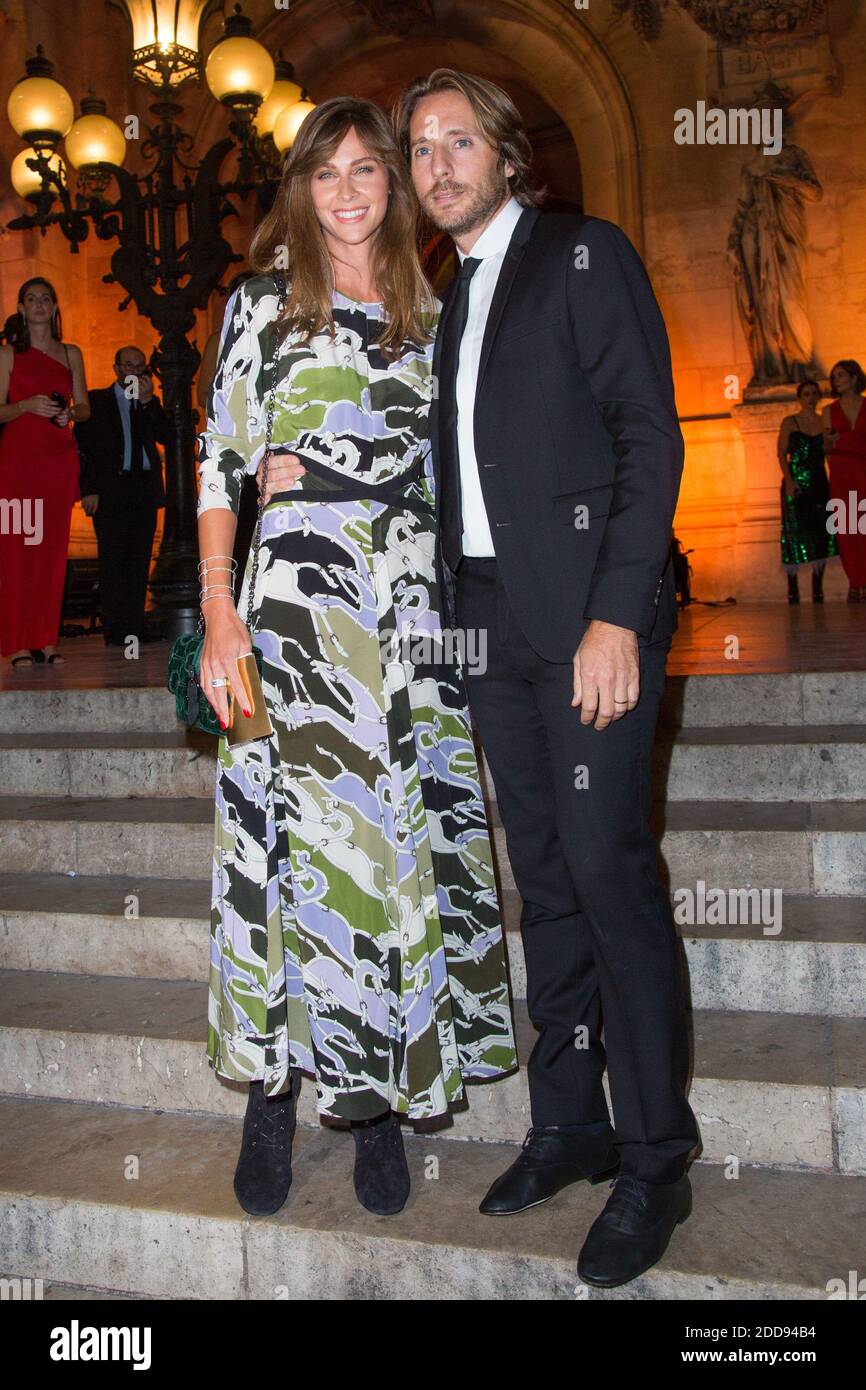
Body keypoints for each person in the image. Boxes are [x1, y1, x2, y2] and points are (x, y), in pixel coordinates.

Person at [395, 67, 699, 1290]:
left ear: (508, 157)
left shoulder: (583, 253)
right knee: (546, 878)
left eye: (456, 141)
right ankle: (567, 1121)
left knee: (607, 868)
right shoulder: (447, 298)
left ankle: (656, 1155)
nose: (435, 164)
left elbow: (647, 432)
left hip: (584, 625)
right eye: (419, 147)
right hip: (487, 632)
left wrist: (616, 616)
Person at [196, 96, 516, 1221]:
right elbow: (217, 457)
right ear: (300, 185)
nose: (344, 190)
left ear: (390, 183)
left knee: (393, 850)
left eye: (365, 169)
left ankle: (377, 1098)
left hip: (408, 612)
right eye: (323, 171)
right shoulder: (258, 307)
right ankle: (274, 1091)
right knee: (286, 850)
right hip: (288, 607)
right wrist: (217, 612)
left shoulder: (432, 309)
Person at [0, 277, 90, 667]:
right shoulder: (7, 354)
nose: (38, 305)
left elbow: (85, 406)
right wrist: (25, 406)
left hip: (57, 460)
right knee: (17, 549)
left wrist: (70, 413)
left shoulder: (71, 353)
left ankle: (47, 640)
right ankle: (18, 642)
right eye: (31, 299)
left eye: (45, 299)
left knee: (51, 552)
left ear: (55, 308)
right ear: (21, 308)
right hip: (18, 462)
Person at [73, 346, 173, 645]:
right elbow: (82, 448)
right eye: (128, 365)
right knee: (113, 559)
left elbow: (168, 436)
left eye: (139, 366)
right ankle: (115, 628)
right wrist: (88, 489)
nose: (133, 371)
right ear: (116, 368)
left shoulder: (147, 402)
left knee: (139, 559)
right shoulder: (96, 401)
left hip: (142, 489)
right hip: (110, 490)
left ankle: (133, 626)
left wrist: (148, 402)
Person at [197, 271, 257, 603]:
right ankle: (227, 602)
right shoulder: (218, 338)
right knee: (236, 525)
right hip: (236, 445)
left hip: (271, 450)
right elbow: (205, 392)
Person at [777, 379, 837, 603]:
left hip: (819, 483)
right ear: (799, 398)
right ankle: (792, 590)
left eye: (814, 394)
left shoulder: (824, 422)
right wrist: (790, 482)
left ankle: (817, 589)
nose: (810, 398)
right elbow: (781, 454)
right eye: (806, 394)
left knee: (820, 534)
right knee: (794, 534)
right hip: (796, 485)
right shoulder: (790, 422)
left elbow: (829, 454)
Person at [823, 359, 866, 601]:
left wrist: (845, 439)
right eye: (834, 376)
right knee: (848, 528)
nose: (836, 380)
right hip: (842, 473)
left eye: (840, 375)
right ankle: (855, 582)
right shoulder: (828, 410)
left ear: (854, 377)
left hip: (864, 470)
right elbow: (827, 446)